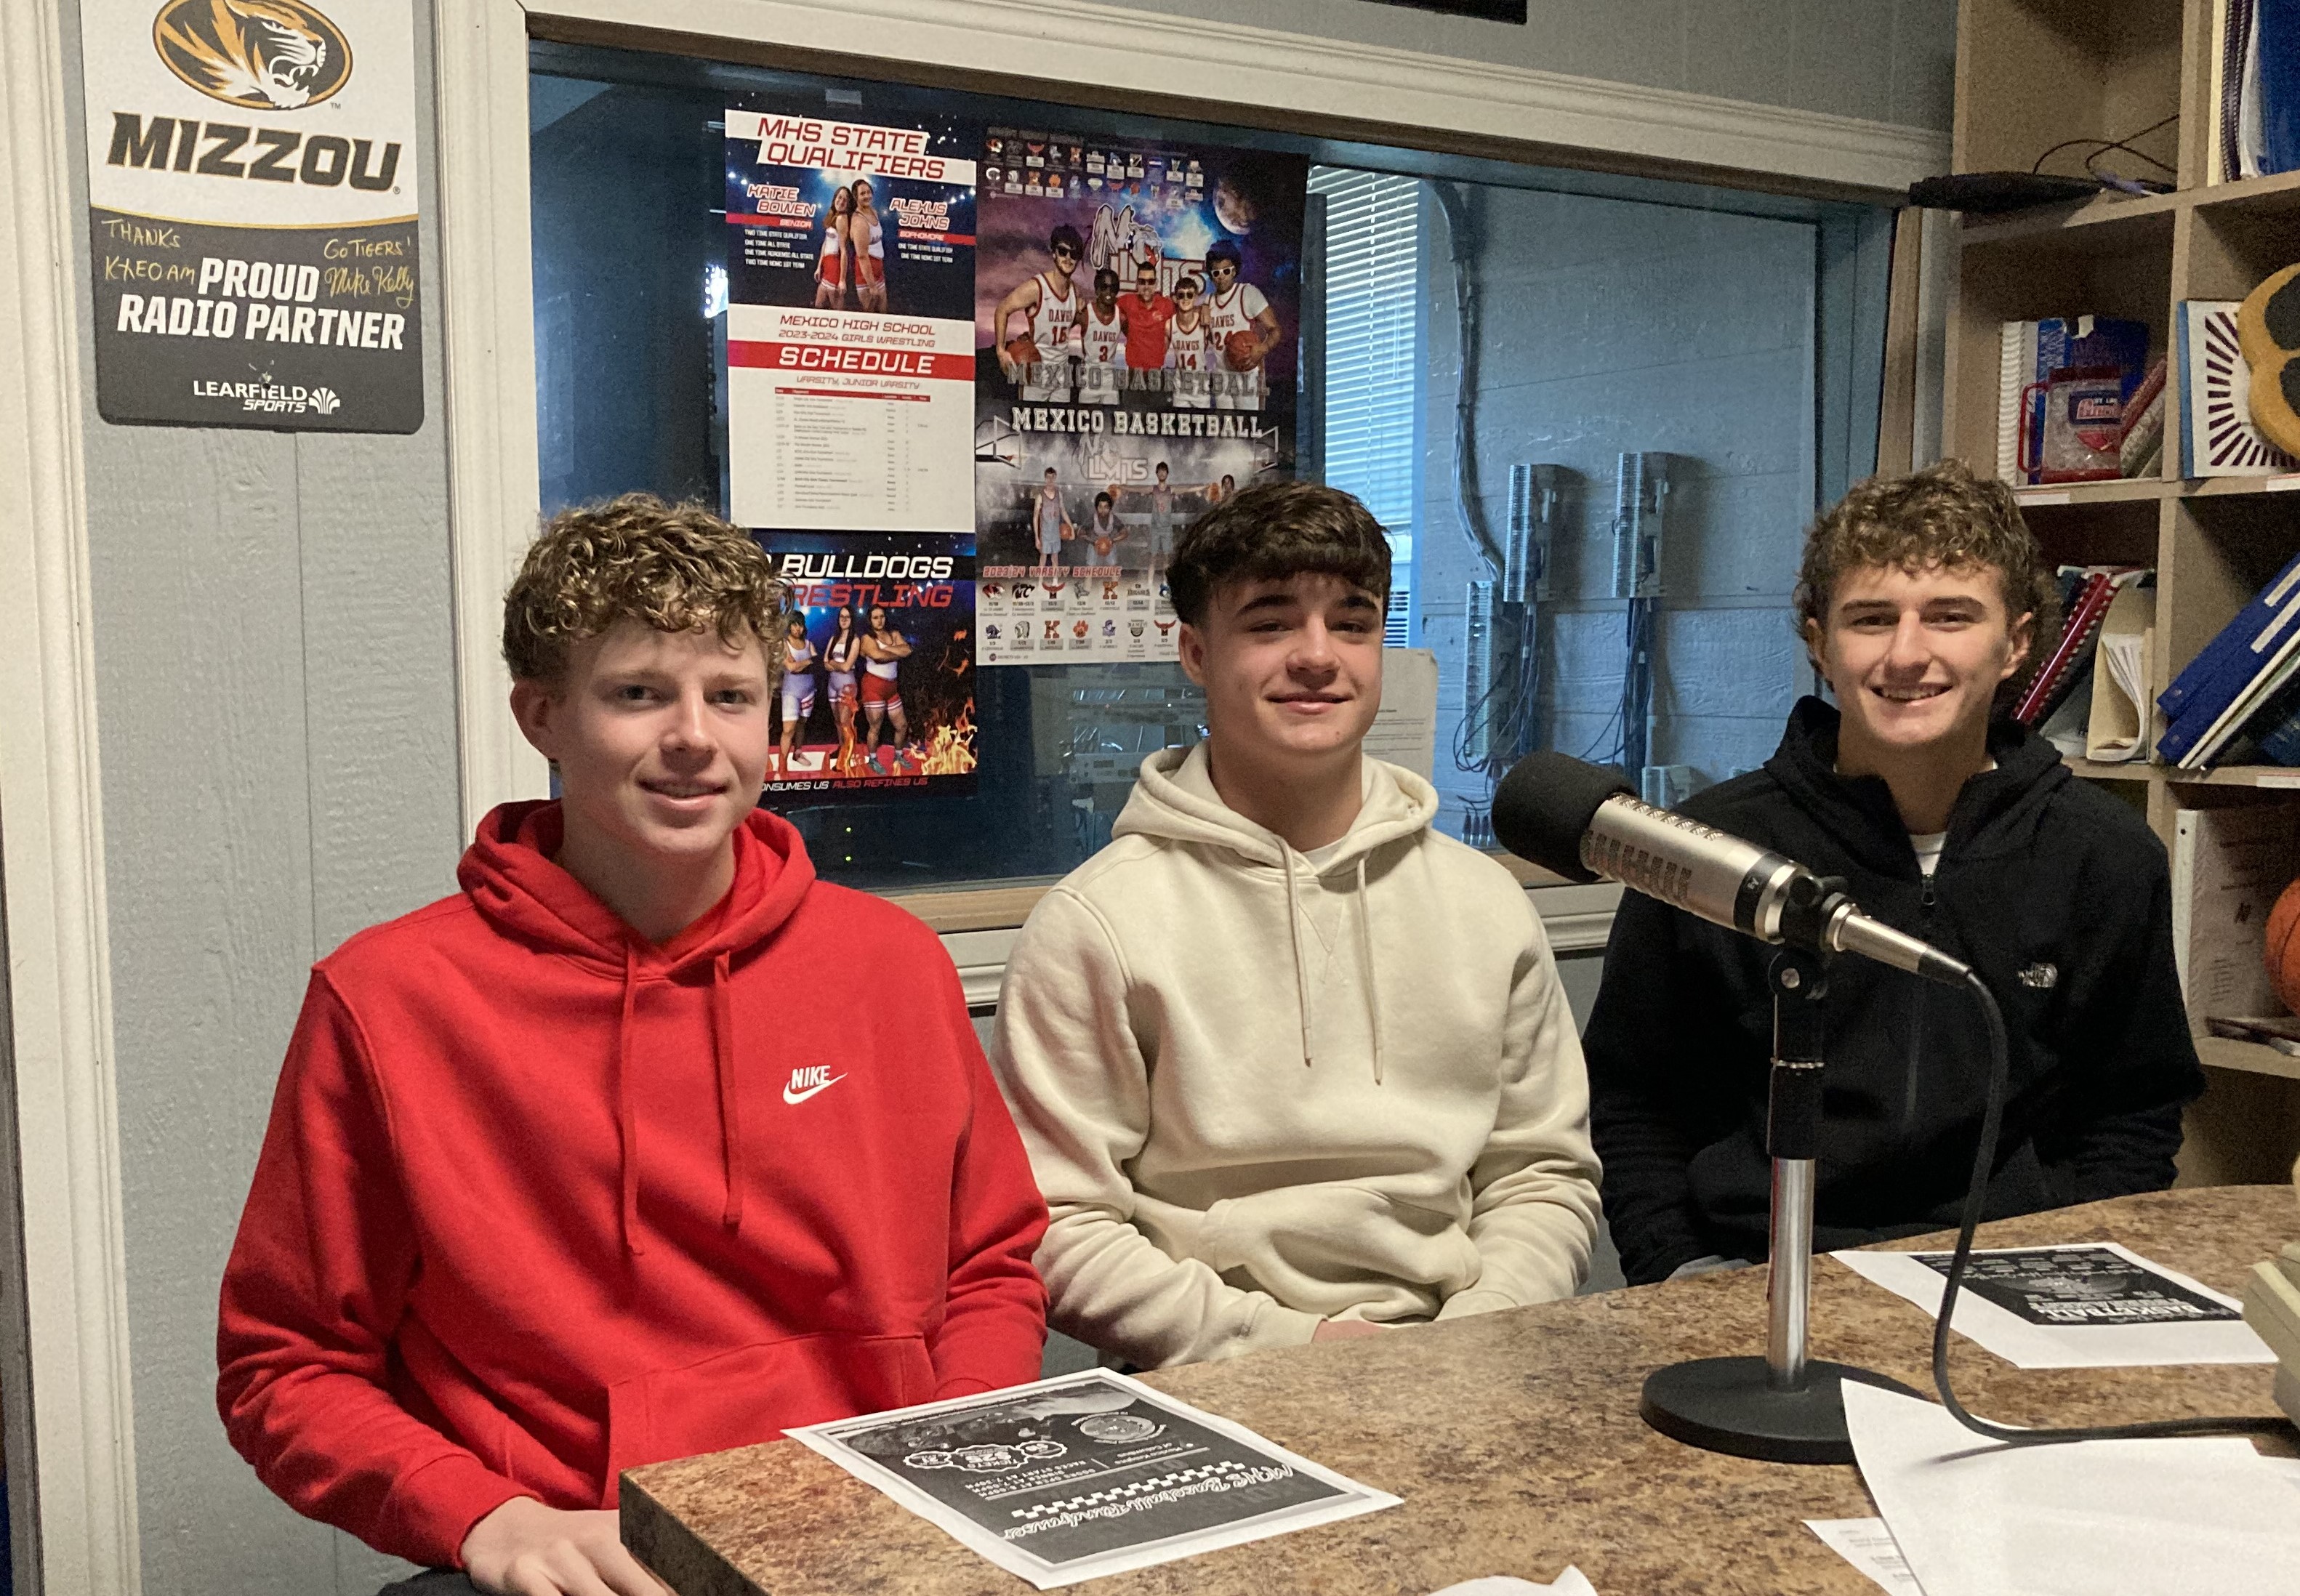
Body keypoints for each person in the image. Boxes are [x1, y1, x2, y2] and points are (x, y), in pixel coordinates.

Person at [216, 494, 1047, 1595]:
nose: (693, 737)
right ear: (542, 716)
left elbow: (989, 1265)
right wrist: (486, 1518)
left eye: (730, 696)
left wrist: (949, 1458)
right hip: (587, 1554)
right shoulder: (390, 999)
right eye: (638, 694)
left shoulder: (889, 962)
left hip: (883, 1533)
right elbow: (285, 1366)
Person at [989, 480, 1601, 1371]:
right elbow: (1058, 1222)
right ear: (1196, 652)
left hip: (1464, 1354)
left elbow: (1541, 1177)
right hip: (1220, 1374)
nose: (1317, 657)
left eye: (1351, 624)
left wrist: (1482, 1329)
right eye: (1271, 623)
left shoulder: (1484, 901)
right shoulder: (1097, 923)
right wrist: (1290, 1346)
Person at [1583, 461, 2205, 1286]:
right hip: (1751, 1272)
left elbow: (2131, 1114)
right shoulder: (1712, 852)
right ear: (1819, 643)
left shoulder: (2105, 856)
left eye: (1950, 616)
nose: (1907, 655)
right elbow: (1632, 1100)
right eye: (1871, 619)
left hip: (2008, 1277)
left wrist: (2062, 1271)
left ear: (2016, 643)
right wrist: (1681, 1267)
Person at [992, 224, 1084, 403]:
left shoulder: (1076, 292)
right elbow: (1002, 309)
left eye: (1074, 254)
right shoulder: (1037, 288)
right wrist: (1000, 350)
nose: (1068, 258)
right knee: (1031, 421)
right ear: (1054, 253)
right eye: (1063, 252)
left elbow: (1063, 324)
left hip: (1061, 376)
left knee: (1059, 422)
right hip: (1035, 372)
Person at [1200, 241, 1279, 412]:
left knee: (1249, 424)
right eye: (1216, 273)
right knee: (1225, 427)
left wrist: (1264, 347)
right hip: (1222, 376)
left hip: (1246, 374)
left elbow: (1275, 329)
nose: (1221, 276)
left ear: (1234, 271)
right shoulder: (1208, 301)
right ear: (1211, 276)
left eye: (1226, 271)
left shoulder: (1248, 293)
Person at [859, 602, 912, 773]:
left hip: (891, 687)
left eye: (882, 616)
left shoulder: (893, 634)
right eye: (875, 617)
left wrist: (887, 650)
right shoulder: (867, 638)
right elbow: (878, 657)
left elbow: (908, 651)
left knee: (902, 726)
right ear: (870, 620)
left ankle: (899, 755)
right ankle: (873, 760)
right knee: (875, 727)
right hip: (873, 686)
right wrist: (896, 651)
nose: (879, 620)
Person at [823, 602, 864, 778]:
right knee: (838, 722)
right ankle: (842, 750)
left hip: (847, 685)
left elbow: (847, 667)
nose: (844, 620)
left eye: (847, 617)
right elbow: (825, 661)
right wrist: (833, 664)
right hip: (832, 684)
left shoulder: (855, 640)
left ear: (852, 619)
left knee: (846, 723)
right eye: (841, 617)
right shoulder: (834, 637)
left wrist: (834, 664)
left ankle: (844, 760)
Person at [1075, 266, 1126, 407]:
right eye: (1104, 287)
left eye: (1113, 288)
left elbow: (1134, 341)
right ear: (1097, 290)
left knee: (1110, 420)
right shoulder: (1085, 314)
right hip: (1089, 381)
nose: (1109, 292)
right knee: (1087, 420)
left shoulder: (1121, 317)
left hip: (1110, 383)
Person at [776, 612, 818, 779]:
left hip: (808, 690)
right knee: (788, 729)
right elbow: (791, 668)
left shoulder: (809, 644)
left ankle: (798, 753)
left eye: (800, 625)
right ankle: (782, 765)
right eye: (794, 624)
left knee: (801, 724)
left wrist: (801, 664)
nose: (797, 628)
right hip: (791, 691)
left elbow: (818, 663)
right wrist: (808, 661)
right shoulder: (784, 644)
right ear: (789, 625)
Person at [1163, 274, 1213, 411]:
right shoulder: (1169, 325)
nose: (1185, 299)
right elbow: (1160, 354)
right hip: (1180, 389)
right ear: (1175, 298)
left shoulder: (1205, 323)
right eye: (1181, 295)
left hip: (1201, 389)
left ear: (1195, 297)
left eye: (1189, 295)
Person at [1119, 257, 1175, 375]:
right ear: (1137, 283)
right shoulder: (1127, 301)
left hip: (1156, 371)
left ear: (1156, 283)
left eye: (1150, 281)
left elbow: (1188, 312)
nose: (1146, 286)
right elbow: (1104, 305)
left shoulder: (1167, 305)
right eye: (1142, 282)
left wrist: (1205, 306)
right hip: (1133, 371)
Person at [849, 177, 888, 313]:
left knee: (884, 313)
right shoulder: (859, 222)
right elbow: (862, 256)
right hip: (866, 278)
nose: (867, 196)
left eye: (868, 192)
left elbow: (877, 247)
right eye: (862, 194)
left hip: (879, 273)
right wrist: (872, 286)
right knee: (870, 316)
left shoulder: (874, 212)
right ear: (856, 197)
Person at [812, 183, 853, 310]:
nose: (841, 202)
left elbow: (844, 251)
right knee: (818, 304)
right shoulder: (833, 216)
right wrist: (819, 267)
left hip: (835, 267)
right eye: (839, 197)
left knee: (836, 308)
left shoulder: (841, 219)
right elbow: (826, 242)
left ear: (848, 204)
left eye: (845, 200)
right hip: (827, 266)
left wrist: (842, 280)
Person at [1029, 467, 1072, 582]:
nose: (1050, 480)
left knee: (1055, 558)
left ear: (1055, 478)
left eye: (1052, 477)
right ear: (1045, 479)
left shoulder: (1059, 494)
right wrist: (1037, 538)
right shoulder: (1040, 496)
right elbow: (1035, 517)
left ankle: (1055, 582)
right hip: (1045, 533)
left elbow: (1063, 511)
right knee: (1043, 558)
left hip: (1055, 532)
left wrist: (1071, 527)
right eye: (1048, 477)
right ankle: (1040, 582)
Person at [1082, 490, 1128, 565]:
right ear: (1097, 507)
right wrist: (1093, 541)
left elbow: (1125, 533)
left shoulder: (1114, 519)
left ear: (1110, 508)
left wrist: (1112, 541)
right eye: (1100, 507)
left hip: (1109, 544)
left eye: (1106, 507)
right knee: (1090, 568)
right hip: (1095, 544)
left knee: (1113, 568)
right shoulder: (1092, 518)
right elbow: (1081, 533)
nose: (1103, 510)